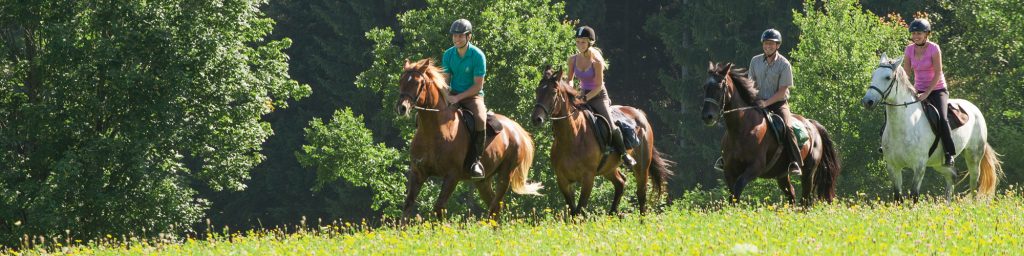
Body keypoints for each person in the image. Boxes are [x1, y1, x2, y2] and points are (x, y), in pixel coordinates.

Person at [565, 26, 636, 167]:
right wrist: (570, 89)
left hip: (598, 96)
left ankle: (624, 154)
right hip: (582, 93)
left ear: (590, 43)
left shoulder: (596, 61)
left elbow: (598, 86)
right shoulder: (572, 59)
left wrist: (585, 99)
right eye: (577, 41)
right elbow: (570, 79)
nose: (579, 45)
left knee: (611, 124)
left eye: (583, 42)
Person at [748, 28, 802, 176]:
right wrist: (753, 100)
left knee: (788, 126)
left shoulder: (784, 64)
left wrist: (766, 104)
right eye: (766, 43)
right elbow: (751, 84)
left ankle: (794, 161)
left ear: (777, 45)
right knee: (739, 120)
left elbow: (782, 92)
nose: (768, 46)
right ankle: (727, 157)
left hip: (778, 103)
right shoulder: (755, 61)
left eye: (771, 43)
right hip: (758, 102)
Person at [904, 18, 954, 166]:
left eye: (919, 33)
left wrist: (926, 93)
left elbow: (938, 73)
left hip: (937, 90)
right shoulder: (909, 50)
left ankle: (949, 153)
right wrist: (907, 90)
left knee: (943, 118)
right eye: (913, 33)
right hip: (918, 89)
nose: (915, 36)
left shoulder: (934, 48)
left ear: (927, 34)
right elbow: (906, 73)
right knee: (900, 110)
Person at [442, 18, 488, 180]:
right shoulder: (448, 54)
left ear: (469, 36)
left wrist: (458, 98)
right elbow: (445, 80)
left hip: (473, 96)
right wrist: (447, 95)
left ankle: (476, 161)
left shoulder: (478, 56)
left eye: (461, 36)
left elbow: (477, 86)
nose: (457, 39)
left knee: (481, 119)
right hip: (453, 94)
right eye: (454, 36)